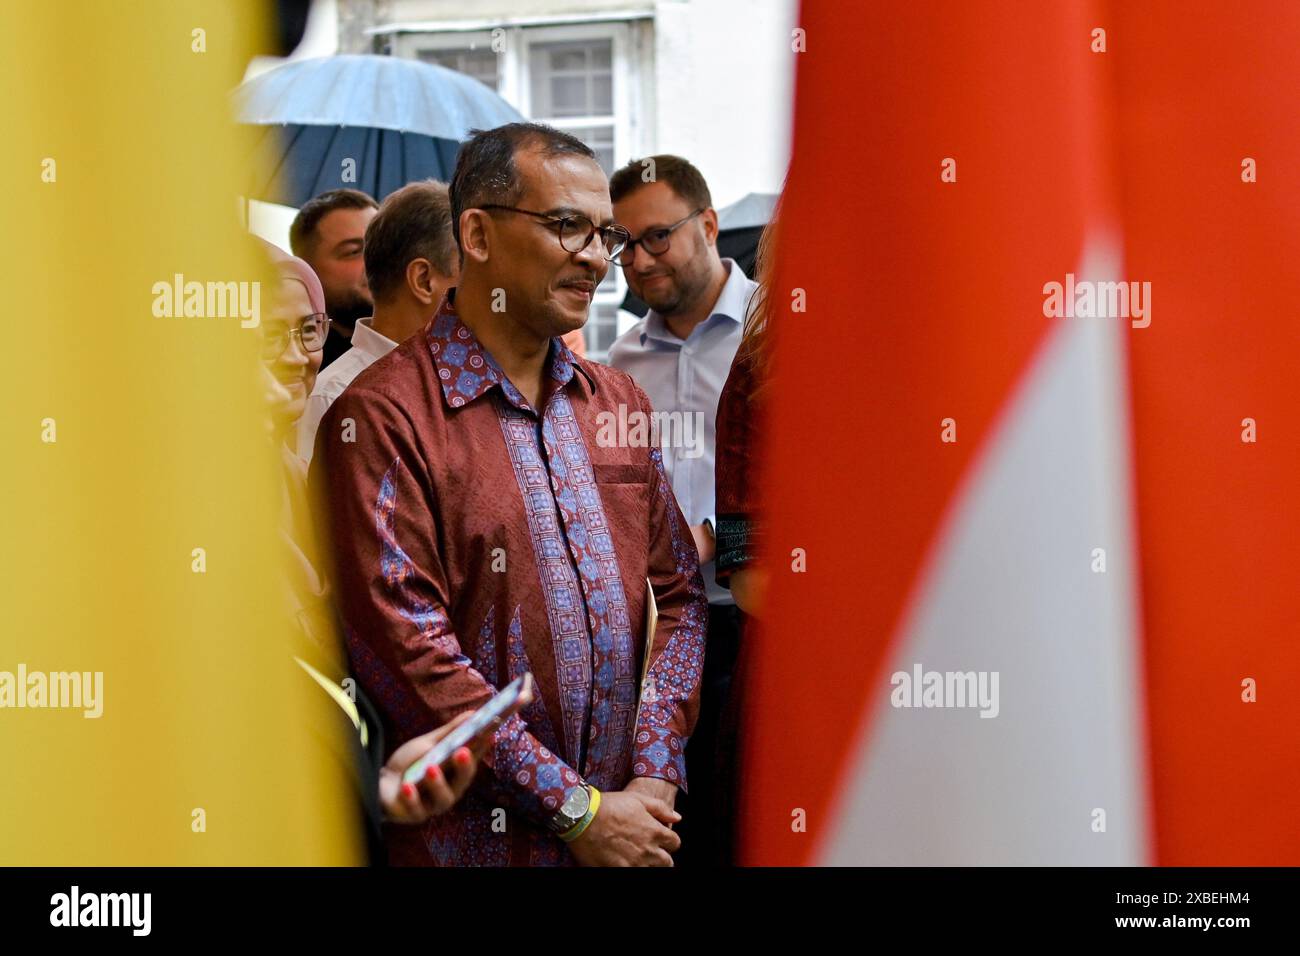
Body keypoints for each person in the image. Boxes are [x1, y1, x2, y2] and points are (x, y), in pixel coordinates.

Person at [310, 122, 708, 867]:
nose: (596, 258)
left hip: (632, 837)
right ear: (478, 236)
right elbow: (411, 659)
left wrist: (654, 768)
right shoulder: (382, 418)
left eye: (604, 235)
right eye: (567, 227)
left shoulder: (616, 402)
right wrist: (577, 810)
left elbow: (679, 594)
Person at [258, 245, 486, 861]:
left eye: (306, 330)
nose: (295, 356)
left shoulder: (294, 476)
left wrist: (380, 783)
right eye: (260, 334)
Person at [606, 154, 756, 866]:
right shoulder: (619, 363)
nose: (637, 260)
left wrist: (715, 539)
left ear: (708, 225)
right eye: (623, 244)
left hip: (754, 623)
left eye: (656, 236)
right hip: (655, 640)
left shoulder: (777, 332)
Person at [297, 180, 459, 464]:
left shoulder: (469, 380)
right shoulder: (332, 398)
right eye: (473, 270)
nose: (493, 291)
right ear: (423, 280)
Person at [289, 188, 379, 370]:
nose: (377, 259)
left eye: (381, 244)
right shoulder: (297, 365)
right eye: (353, 251)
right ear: (307, 270)